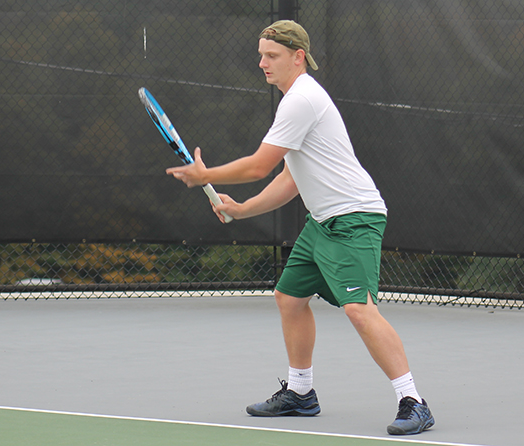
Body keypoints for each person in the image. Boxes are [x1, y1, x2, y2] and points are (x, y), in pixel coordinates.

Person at [166, 20, 434, 436]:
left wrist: (207, 175)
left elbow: (259, 165)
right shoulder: (295, 102)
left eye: (270, 56)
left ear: (297, 57)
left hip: (353, 219)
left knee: (360, 311)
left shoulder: (302, 100)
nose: (262, 64)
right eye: (260, 55)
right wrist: (243, 209)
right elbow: (292, 178)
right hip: (322, 221)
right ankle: (301, 393)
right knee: (289, 298)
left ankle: (413, 401)